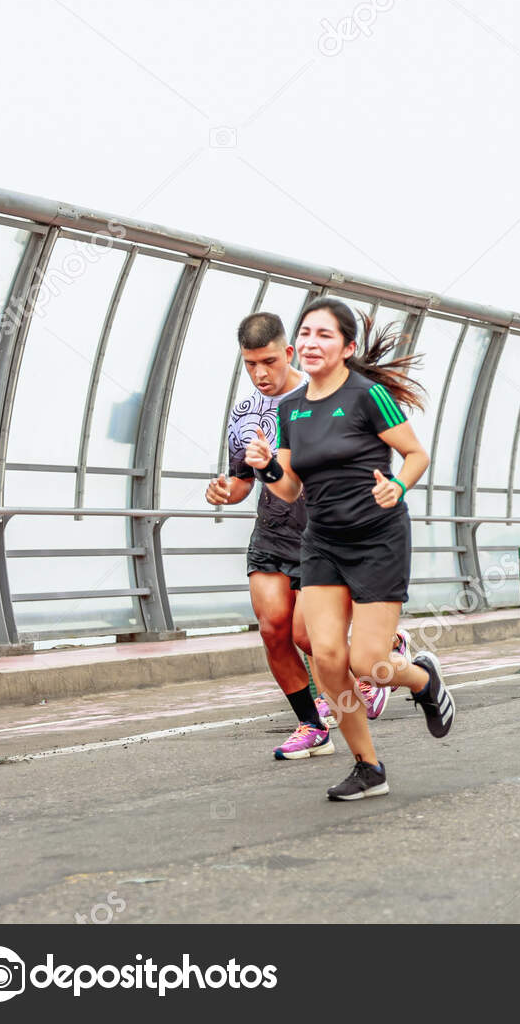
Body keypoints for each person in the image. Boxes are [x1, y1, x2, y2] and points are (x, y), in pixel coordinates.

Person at [248, 298, 449, 801]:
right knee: (328, 658)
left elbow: (416, 454)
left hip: (378, 538)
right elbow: (291, 489)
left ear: (347, 347)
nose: (313, 343)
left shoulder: (368, 396)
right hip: (321, 542)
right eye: (307, 334)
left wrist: (398, 487)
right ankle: (368, 766)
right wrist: (267, 467)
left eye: (325, 335)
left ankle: (421, 679)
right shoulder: (290, 408)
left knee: (369, 663)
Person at [206, 312, 337, 761]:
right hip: (272, 531)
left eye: (267, 362)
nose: (260, 374)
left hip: (320, 531)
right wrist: (225, 491)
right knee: (273, 629)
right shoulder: (243, 413)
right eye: (249, 364)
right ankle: (311, 725)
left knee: (307, 635)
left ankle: (385, 652)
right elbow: (241, 482)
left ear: (288, 353)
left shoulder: (321, 396)